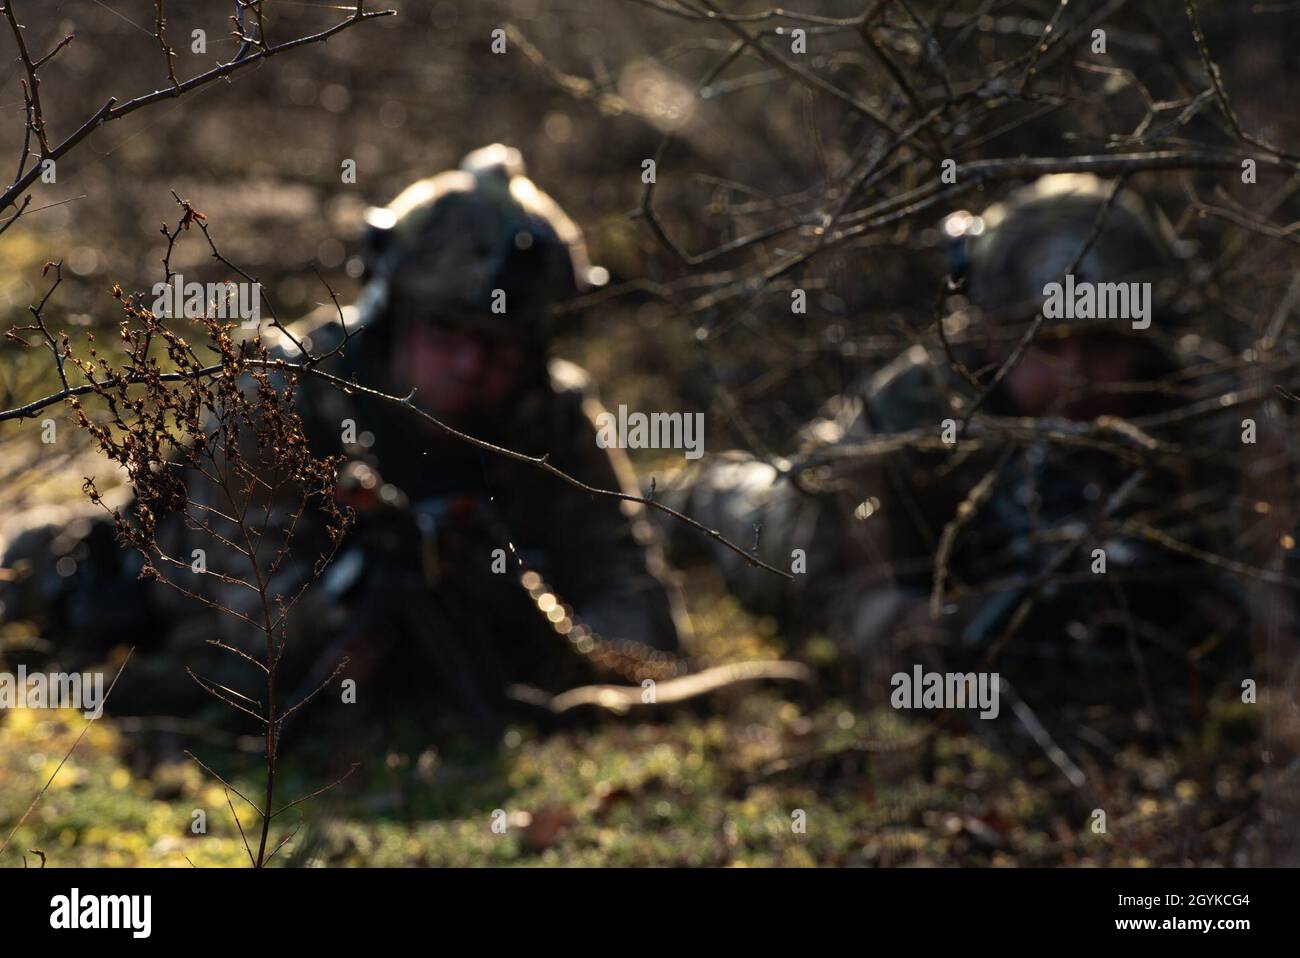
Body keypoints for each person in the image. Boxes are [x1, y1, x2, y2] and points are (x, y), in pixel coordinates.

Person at [1, 145, 690, 731]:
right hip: (109, 583)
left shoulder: (553, 417)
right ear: (394, 315)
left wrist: (532, 614)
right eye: (446, 331)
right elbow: (239, 621)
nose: (470, 365)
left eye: (502, 345)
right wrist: (358, 595)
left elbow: (635, 604)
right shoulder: (277, 393)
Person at [662, 174, 1245, 711]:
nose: (1077, 377)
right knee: (751, 514)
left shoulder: (1207, 408)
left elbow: (1263, 561)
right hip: (795, 523)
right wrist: (896, 624)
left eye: (1104, 344)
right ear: (990, 335)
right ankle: (675, 497)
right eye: (1047, 343)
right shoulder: (916, 408)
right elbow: (838, 580)